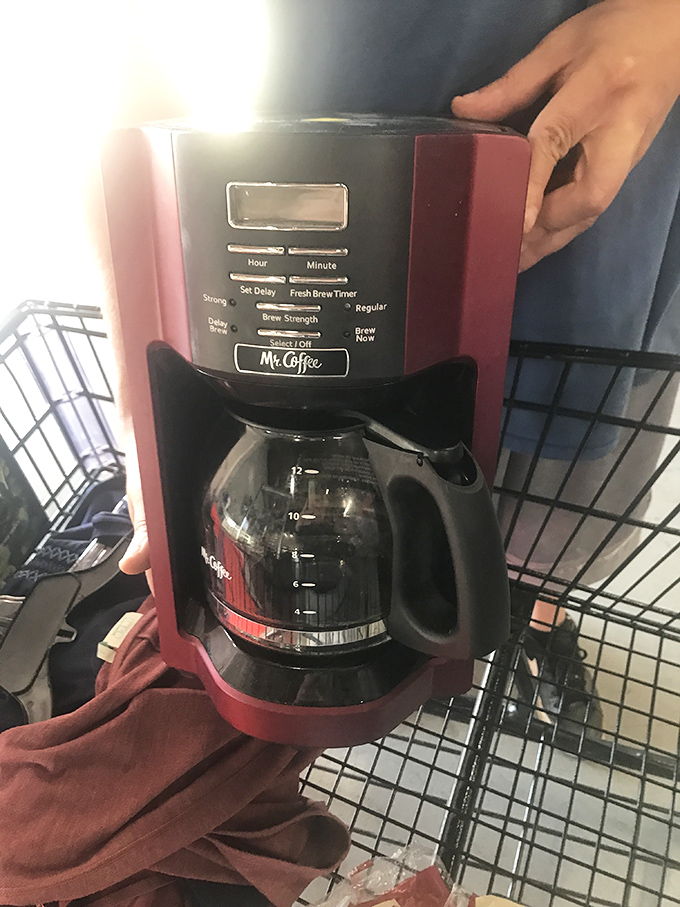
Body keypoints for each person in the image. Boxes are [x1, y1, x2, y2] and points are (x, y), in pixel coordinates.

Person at [95, 0, 680, 733]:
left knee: (552, 531)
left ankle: (536, 620)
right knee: (501, 525)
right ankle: (497, 615)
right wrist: (137, 419)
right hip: (306, 135)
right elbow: (126, 39)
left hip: (593, 207)